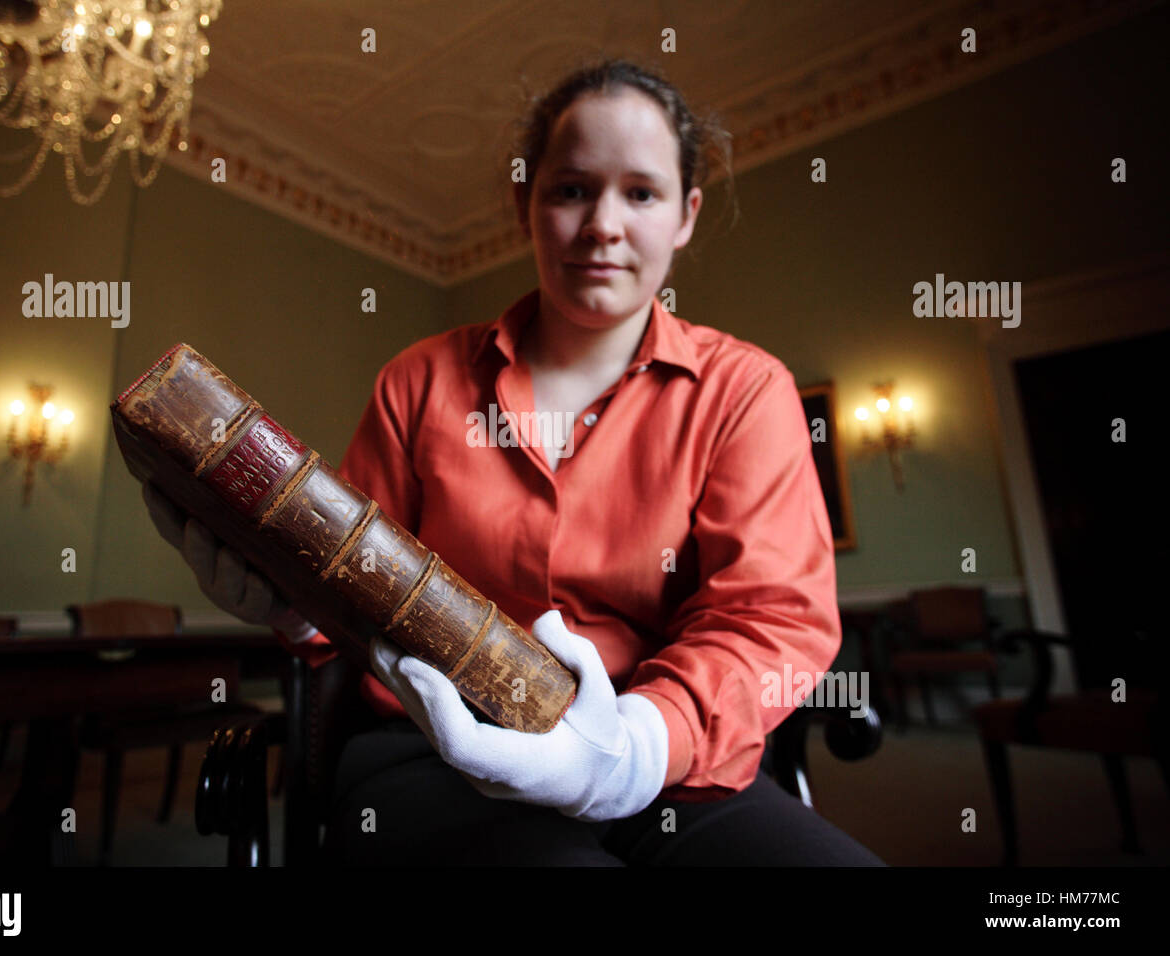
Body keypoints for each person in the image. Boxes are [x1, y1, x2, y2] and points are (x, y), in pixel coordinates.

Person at [144, 58, 885, 866]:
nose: (604, 223)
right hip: (433, 755)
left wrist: (633, 751)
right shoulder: (418, 381)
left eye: (642, 192)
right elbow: (347, 586)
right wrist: (293, 606)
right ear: (523, 203)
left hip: (665, 760)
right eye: (571, 189)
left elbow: (768, 617)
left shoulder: (747, 389)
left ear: (686, 215)